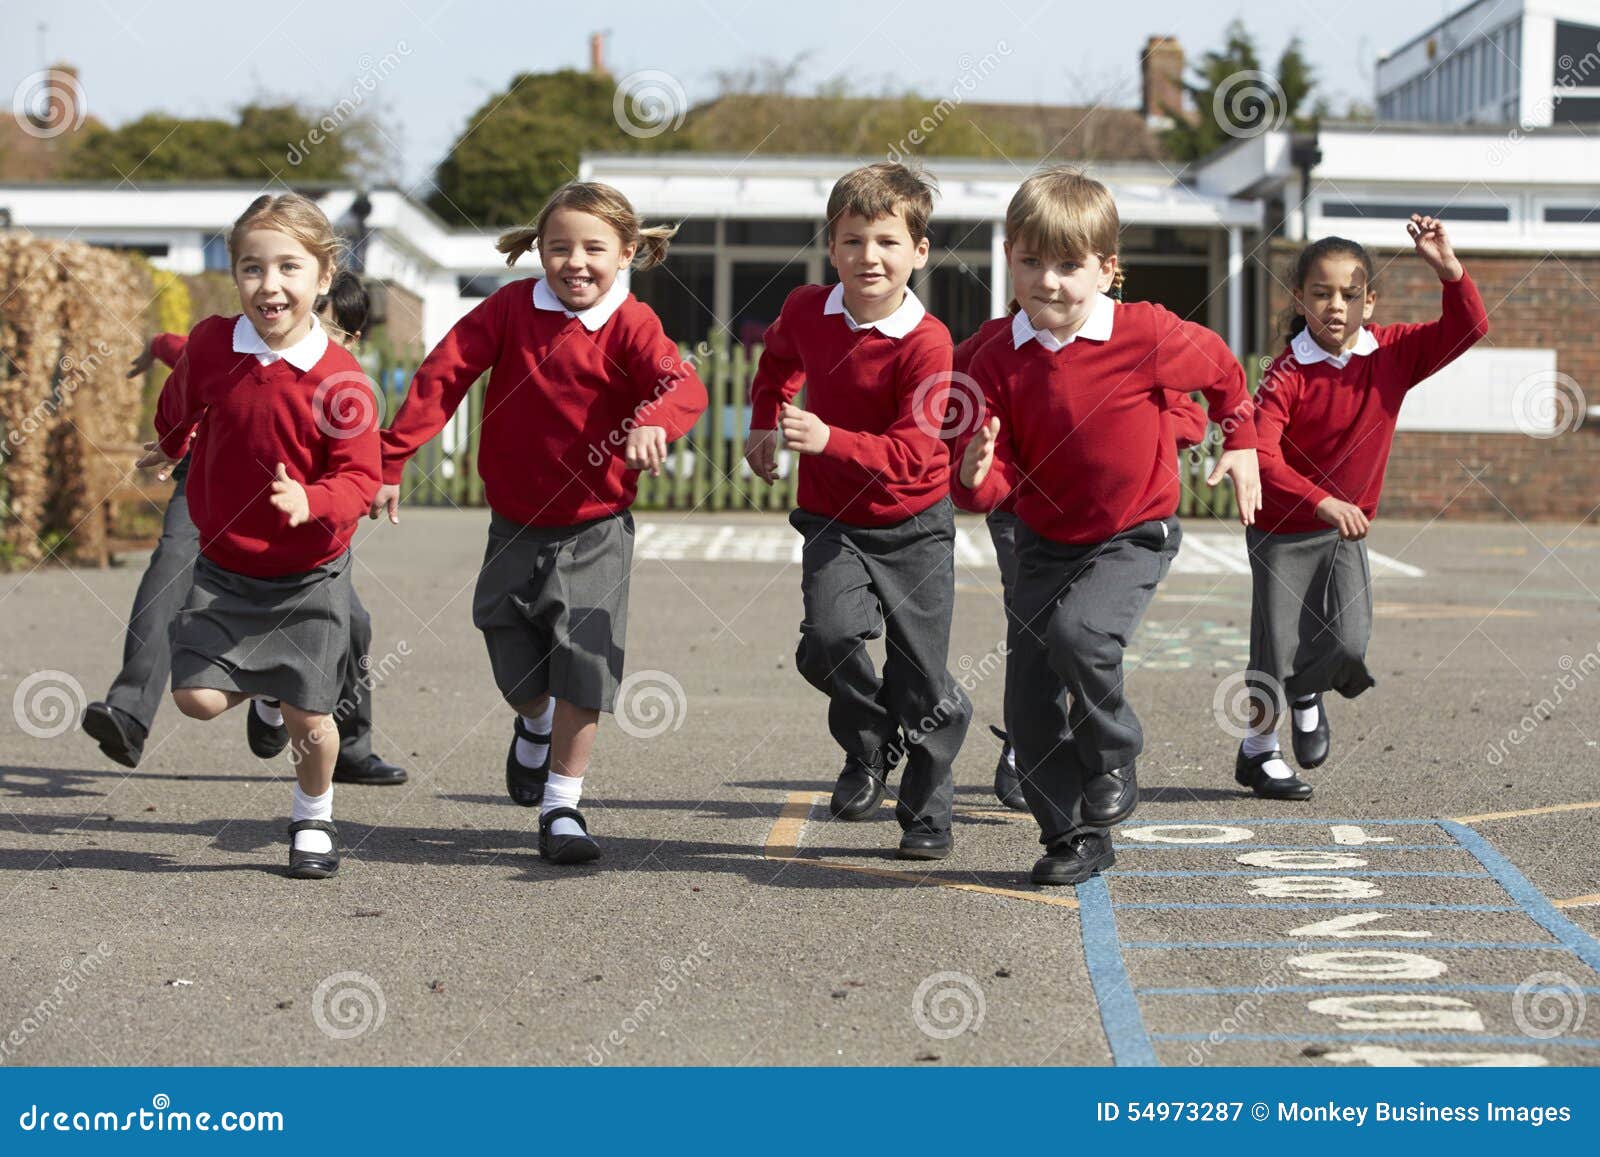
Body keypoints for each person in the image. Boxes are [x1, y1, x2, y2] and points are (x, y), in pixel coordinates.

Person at [372, 181, 707, 865]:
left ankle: (563, 806)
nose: (575, 262)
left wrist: (654, 420)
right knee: (514, 657)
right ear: (539, 250)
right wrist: (390, 457)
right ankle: (534, 724)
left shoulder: (632, 324)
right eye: (559, 247)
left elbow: (683, 385)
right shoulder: (510, 309)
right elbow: (442, 374)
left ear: (627, 253)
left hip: (597, 523)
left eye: (593, 248)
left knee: (584, 660)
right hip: (516, 522)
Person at [953, 167, 1259, 886]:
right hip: (1043, 542)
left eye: (1068, 265)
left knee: (1080, 636)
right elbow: (988, 486)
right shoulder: (990, 356)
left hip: (1133, 532)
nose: (1049, 281)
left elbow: (1224, 376)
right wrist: (971, 474)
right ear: (1008, 258)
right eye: (1032, 261)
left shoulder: (1147, 332)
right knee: (1027, 708)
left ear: (1106, 270)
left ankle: (1114, 748)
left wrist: (1241, 440)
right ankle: (1073, 835)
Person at [83, 272, 407, 788]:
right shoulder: (238, 345)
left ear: (351, 339)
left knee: (353, 621)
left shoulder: (342, 386)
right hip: (214, 484)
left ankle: (344, 743)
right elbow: (185, 353)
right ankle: (129, 710)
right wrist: (155, 352)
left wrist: (370, 482)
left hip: (297, 502)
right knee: (170, 572)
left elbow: (363, 461)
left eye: (328, 328)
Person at [143, 193, 382, 879]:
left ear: (323, 275)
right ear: (234, 272)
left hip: (308, 573)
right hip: (223, 566)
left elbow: (359, 476)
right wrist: (168, 441)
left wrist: (312, 499)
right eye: (251, 268)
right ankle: (269, 695)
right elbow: (182, 395)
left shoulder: (341, 379)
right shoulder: (216, 342)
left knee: (311, 717)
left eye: (288, 267)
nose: (269, 285)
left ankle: (313, 816)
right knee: (195, 698)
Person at [745, 162, 971, 861]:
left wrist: (828, 438)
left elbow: (912, 451)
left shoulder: (929, 342)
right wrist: (763, 420)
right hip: (833, 519)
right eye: (851, 241)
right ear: (831, 245)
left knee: (922, 678)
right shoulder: (809, 308)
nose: (868, 256)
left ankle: (928, 810)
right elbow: (777, 360)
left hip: (914, 524)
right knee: (830, 638)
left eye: (886, 241)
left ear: (919, 251)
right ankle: (869, 744)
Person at [1236, 216, 1488, 800]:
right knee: (1274, 645)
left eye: (1350, 294)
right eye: (1321, 293)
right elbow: (1262, 456)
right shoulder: (1284, 374)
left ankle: (1308, 691)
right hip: (1282, 527)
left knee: (1349, 643)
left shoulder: (1394, 353)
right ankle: (1258, 752)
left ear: (1369, 302)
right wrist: (1320, 500)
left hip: (1345, 530)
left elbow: (1469, 326)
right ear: (1300, 298)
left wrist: (1448, 269)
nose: (1335, 306)